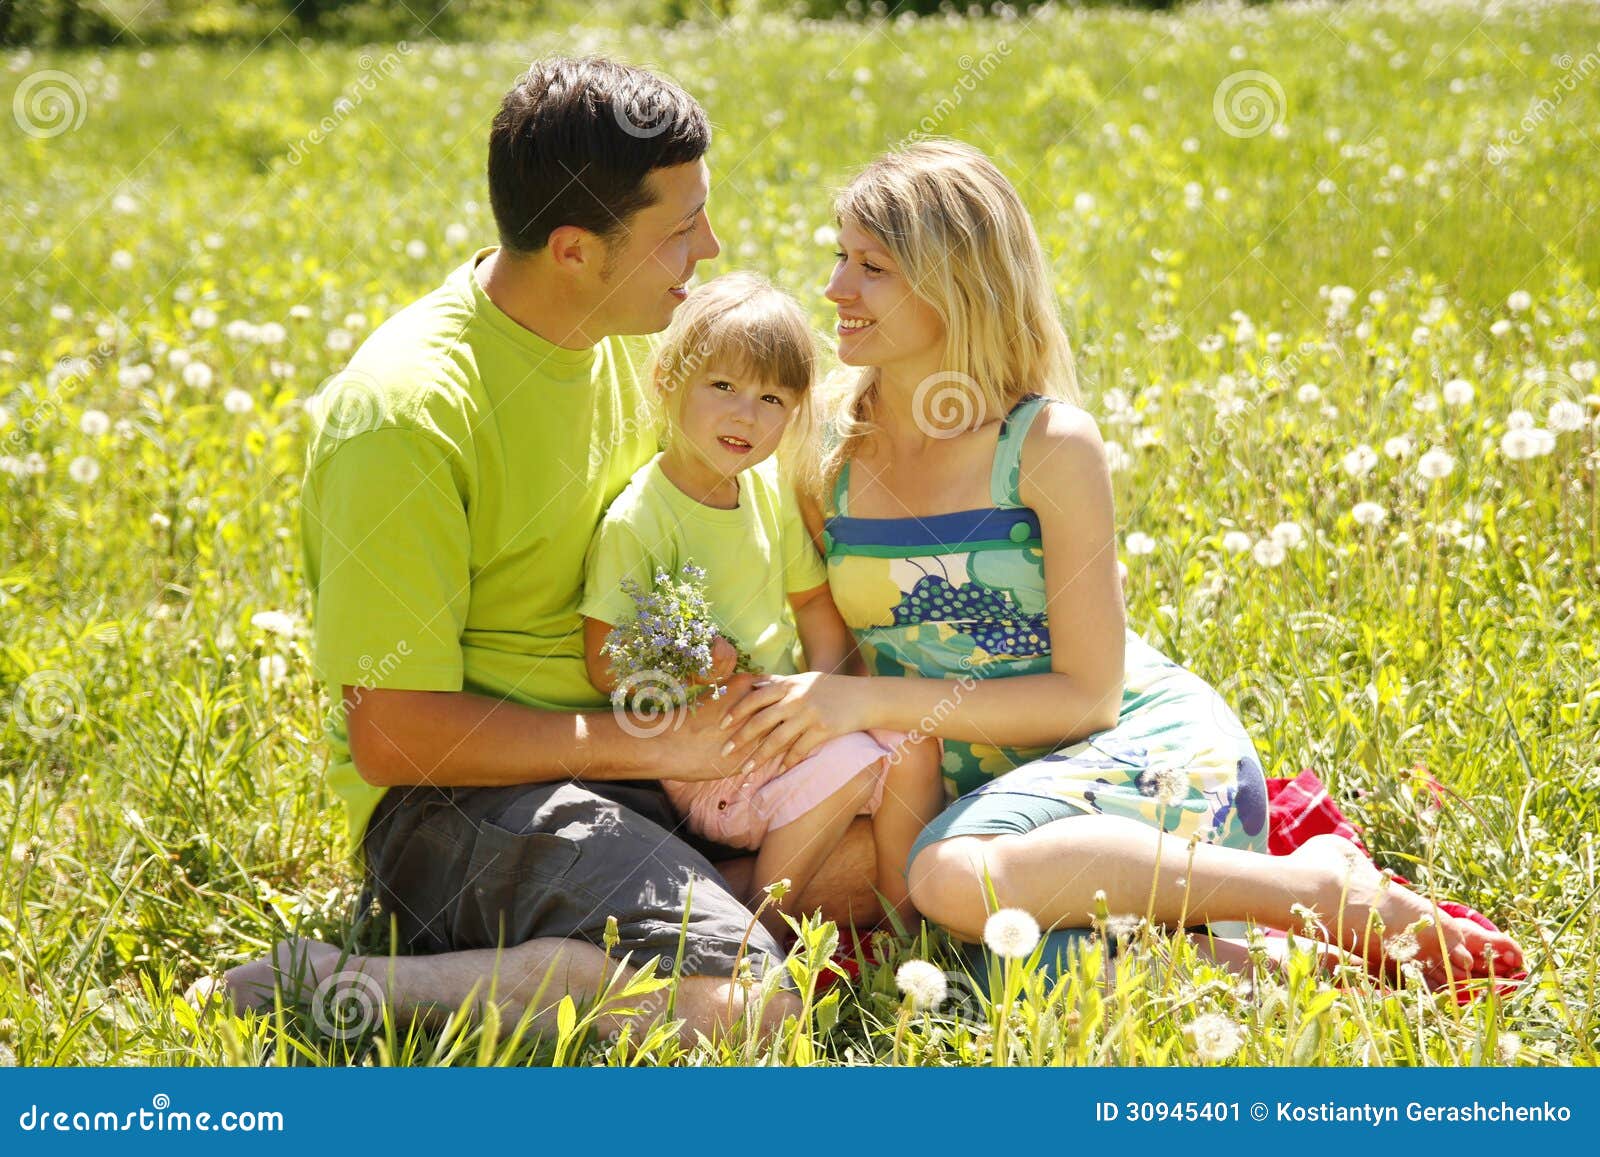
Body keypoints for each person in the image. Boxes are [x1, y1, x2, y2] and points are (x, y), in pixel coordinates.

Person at [718, 140, 1526, 990]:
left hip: (1128, 753)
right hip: (988, 798)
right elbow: (830, 641)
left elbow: (1087, 695)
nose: (836, 289)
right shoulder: (824, 443)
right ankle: (1293, 966)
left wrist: (866, 699)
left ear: (956, 283)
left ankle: (1311, 890)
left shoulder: (1045, 445)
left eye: (871, 266)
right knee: (1019, 969)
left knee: (953, 878)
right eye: (838, 256)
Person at [218, 58, 882, 1043]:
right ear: (574, 249)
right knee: (757, 1009)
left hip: (657, 762)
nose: (710, 245)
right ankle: (368, 978)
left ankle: (672, 920)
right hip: (461, 804)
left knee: (899, 848)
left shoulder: (649, 340)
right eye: (678, 230)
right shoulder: (405, 416)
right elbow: (391, 734)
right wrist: (656, 738)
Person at [579, 272, 945, 936]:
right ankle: (758, 933)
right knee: (852, 764)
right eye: (723, 386)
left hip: (779, 717)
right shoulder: (641, 518)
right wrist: (690, 672)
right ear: (667, 379)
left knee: (915, 746)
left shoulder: (769, 490)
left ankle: (904, 933)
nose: (746, 415)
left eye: (772, 397)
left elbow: (813, 607)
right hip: (714, 753)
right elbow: (603, 662)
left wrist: (826, 692)